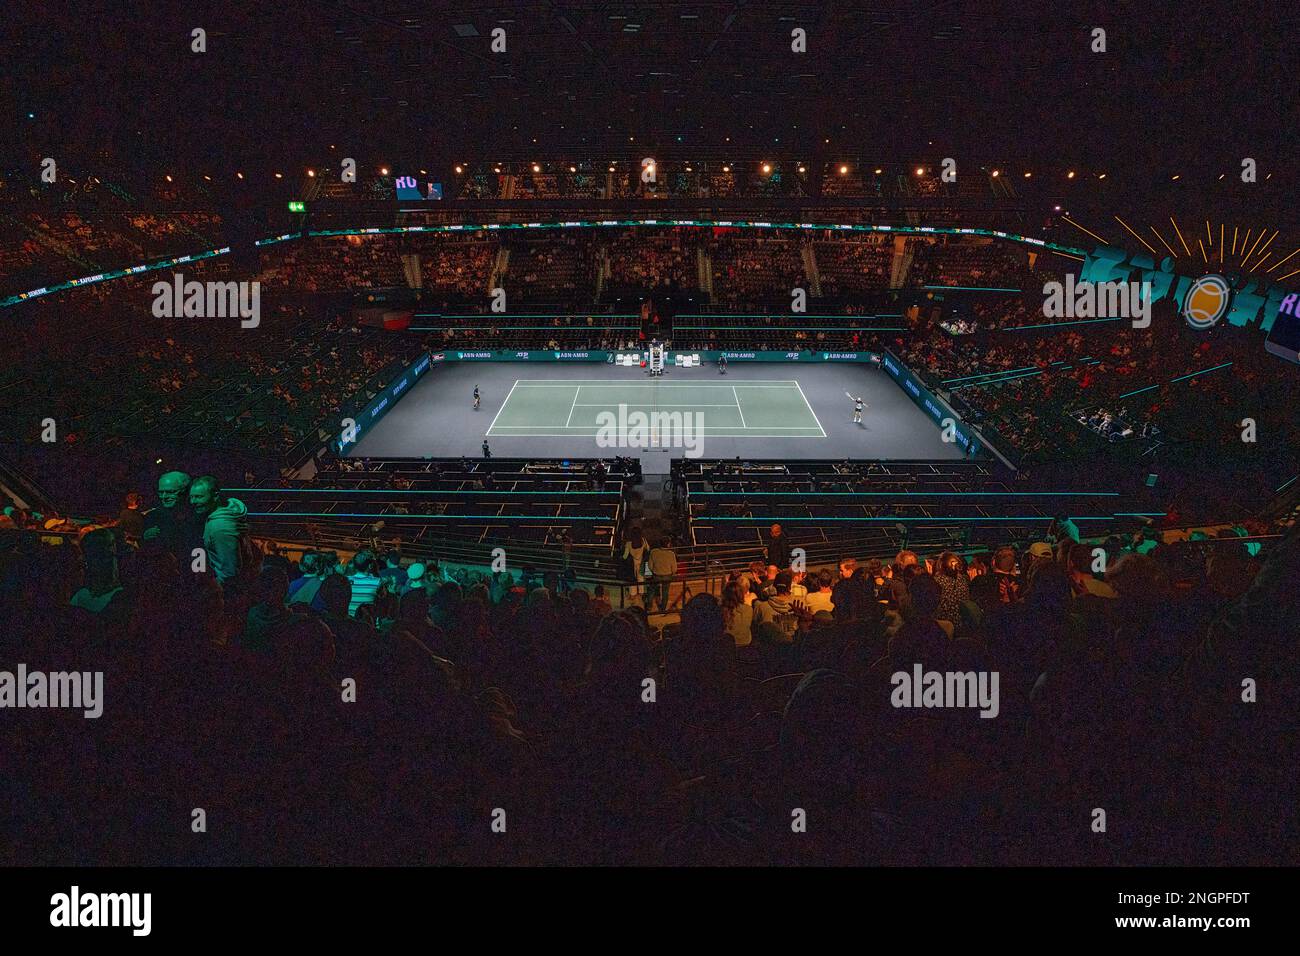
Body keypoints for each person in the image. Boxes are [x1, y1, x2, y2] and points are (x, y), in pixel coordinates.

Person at [189, 476, 253, 587]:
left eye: (199, 497)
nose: (193, 501)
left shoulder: (220, 527)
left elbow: (229, 573)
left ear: (215, 496)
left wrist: (212, 590)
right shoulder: (221, 516)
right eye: (192, 497)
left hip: (224, 593)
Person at [647, 536, 678, 612]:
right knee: (665, 592)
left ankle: (649, 606)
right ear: (668, 544)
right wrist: (672, 573)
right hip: (667, 575)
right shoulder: (671, 554)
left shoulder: (653, 552)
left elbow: (650, 566)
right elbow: (674, 568)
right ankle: (663, 608)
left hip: (656, 575)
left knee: (651, 590)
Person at [622, 527, 650, 601]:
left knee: (632, 579)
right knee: (641, 578)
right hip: (641, 563)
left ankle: (633, 594)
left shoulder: (629, 543)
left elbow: (625, 556)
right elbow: (648, 549)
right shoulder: (643, 541)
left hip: (632, 565)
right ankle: (641, 593)